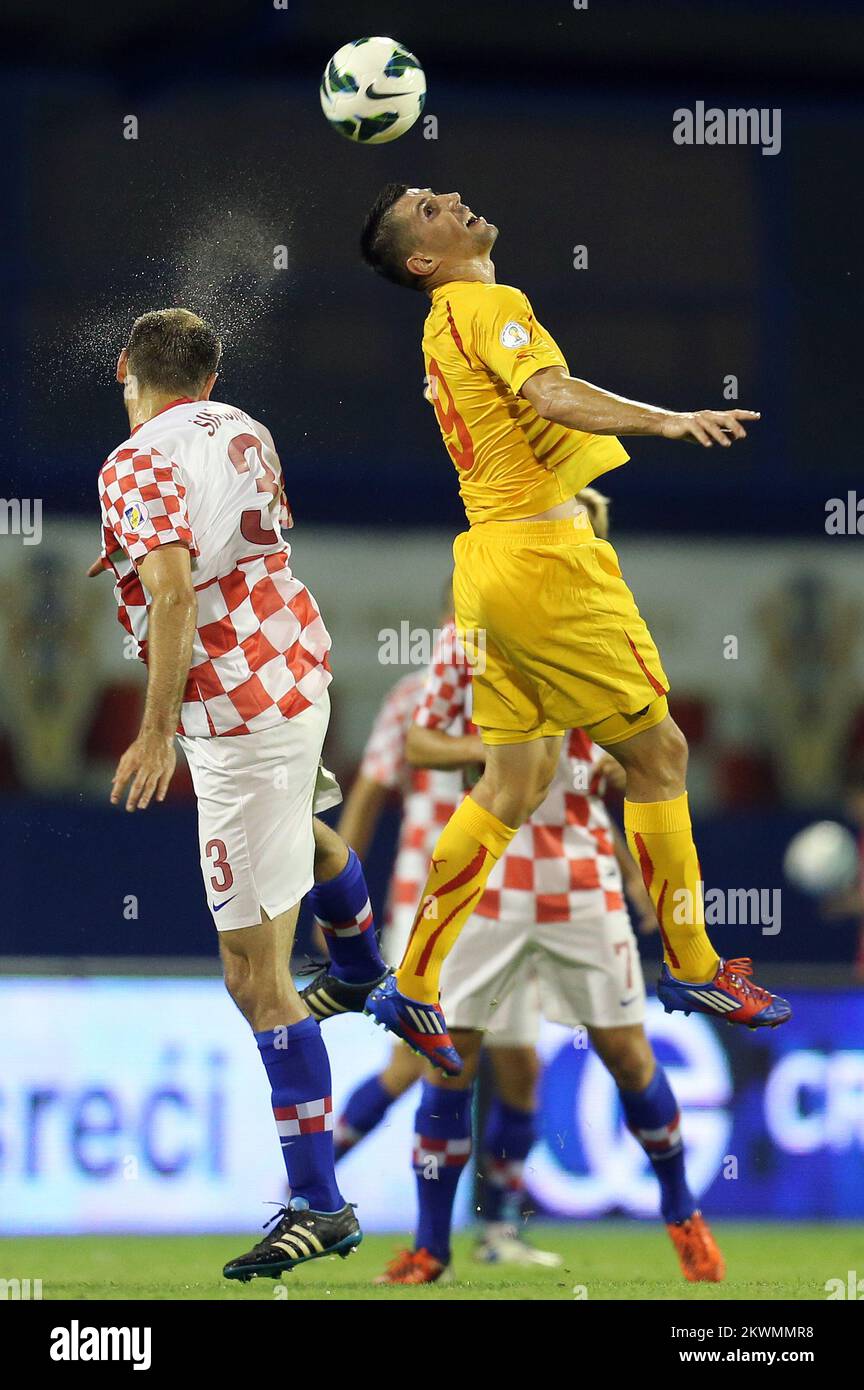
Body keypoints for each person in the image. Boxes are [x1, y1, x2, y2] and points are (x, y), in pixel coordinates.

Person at [358, 184, 791, 1073]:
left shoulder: (442, 323)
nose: (451, 197)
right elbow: (550, 394)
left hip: (487, 565)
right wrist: (666, 418)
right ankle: (697, 966)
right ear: (422, 261)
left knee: (514, 780)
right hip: (550, 570)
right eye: (428, 206)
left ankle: (415, 978)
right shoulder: (488, 302)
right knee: (660, 755)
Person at [96, 308, 388, 1281]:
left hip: (236, 717)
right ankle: (353, 962)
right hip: (297, 671)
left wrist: (152, 727)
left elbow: (174, 592)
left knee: (252, 975)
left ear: (125, 368)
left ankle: (320, 1204)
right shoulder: (244, 428)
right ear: (210, 379)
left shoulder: (135, 461)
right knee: (295, 837)